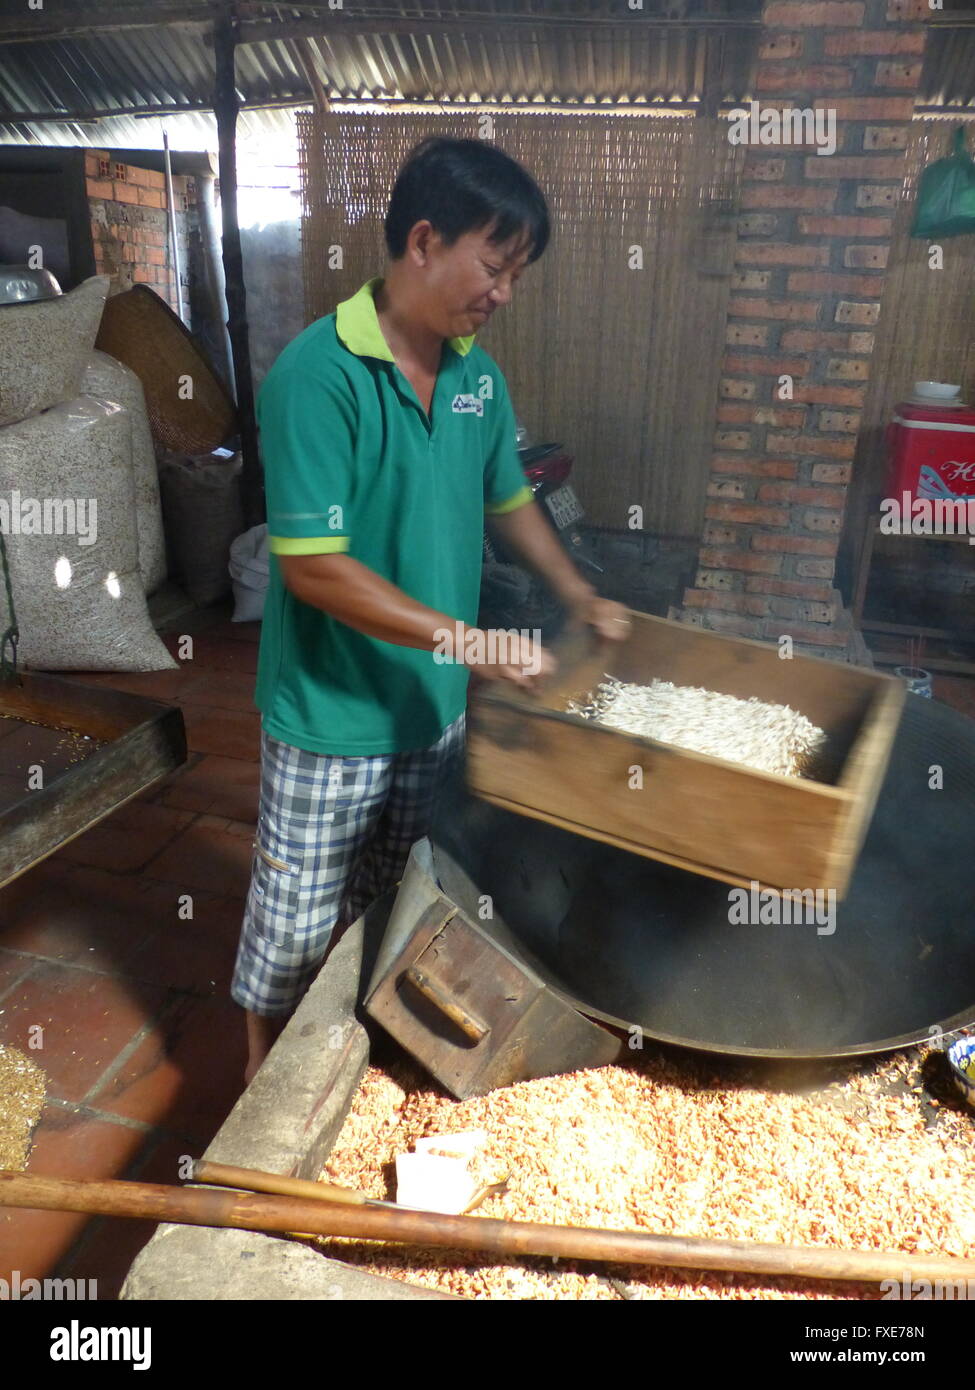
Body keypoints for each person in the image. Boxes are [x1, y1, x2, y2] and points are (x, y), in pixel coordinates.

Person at [232, 136, 631, 1083]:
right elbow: (314, 568)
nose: (501, 292)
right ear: (422, 239)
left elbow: (508, 503)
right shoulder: (317, 376)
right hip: (330, 716)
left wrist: (577, 590)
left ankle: (355, 1057)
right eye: (493, 265)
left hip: (432, 712)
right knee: (290, 932)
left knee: (395, 899)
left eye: (514, 274)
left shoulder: (475, 381)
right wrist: (470, 641)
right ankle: (255, 1105)